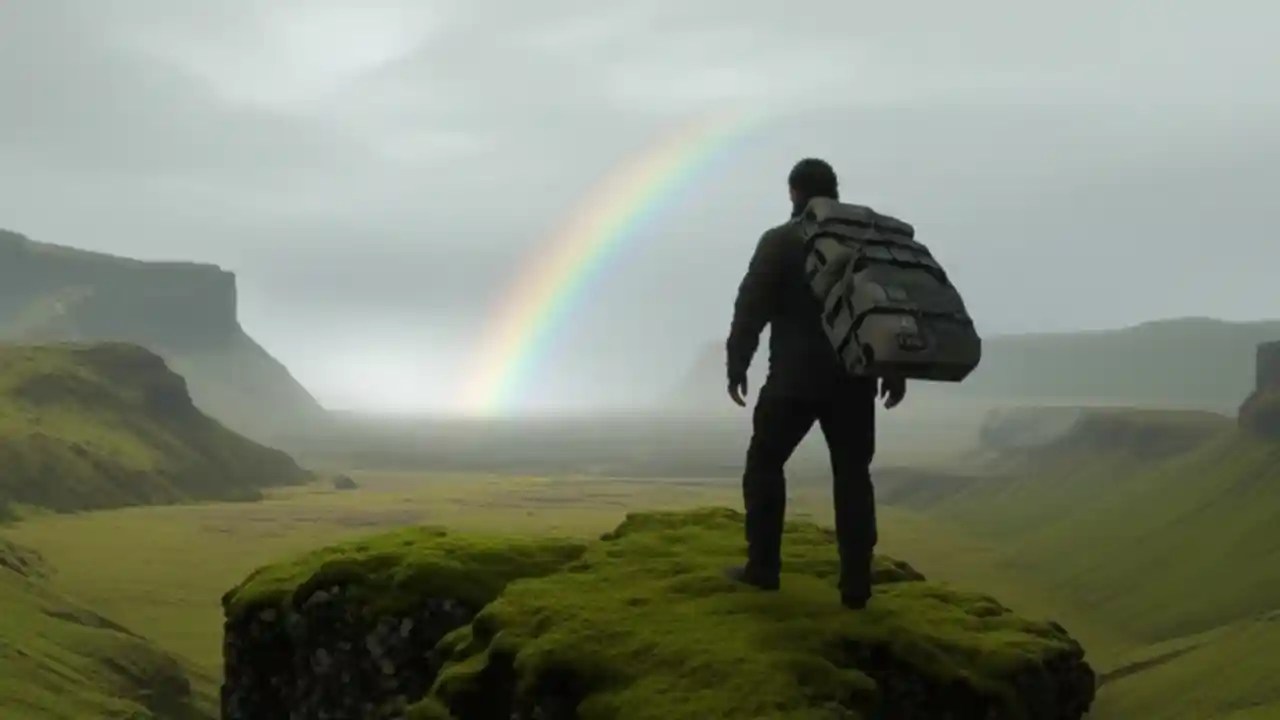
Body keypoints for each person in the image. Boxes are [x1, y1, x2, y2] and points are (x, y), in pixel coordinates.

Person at [723, 158, 906, 609]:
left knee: (764, 462)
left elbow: (751, 307)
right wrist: (894, 369)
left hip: (792, 381)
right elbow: (889, 307)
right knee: (853, 477)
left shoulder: (780, 241)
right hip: (854, 381)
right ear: (835, 191)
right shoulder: (863, 240)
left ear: (793, 193)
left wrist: (737, 363)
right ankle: (856, 586)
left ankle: (763, 569)